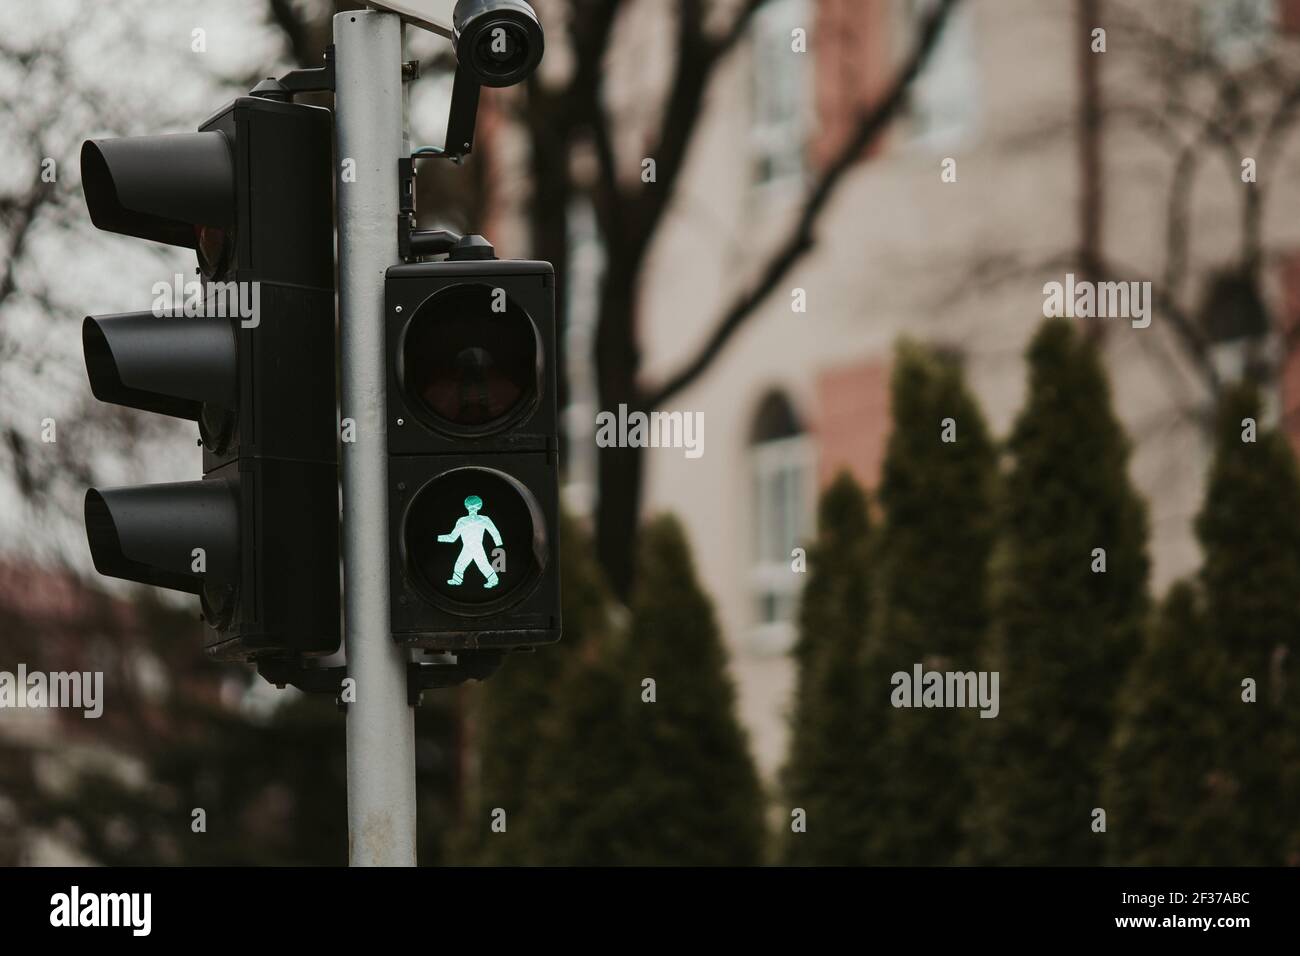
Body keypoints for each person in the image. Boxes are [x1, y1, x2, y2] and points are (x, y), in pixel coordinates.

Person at [436, 494, 503, 588]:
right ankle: (457, 580)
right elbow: (452, 538)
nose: (472, 508)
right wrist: (438, 538)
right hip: (467, 547)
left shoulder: (479, 519)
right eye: (471, 505)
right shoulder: (465, 520)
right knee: (460, 564)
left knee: (482, 564)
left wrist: (498, 543)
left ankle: (493, 580)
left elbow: (494, 532)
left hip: (476, 547)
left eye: (473, 505)